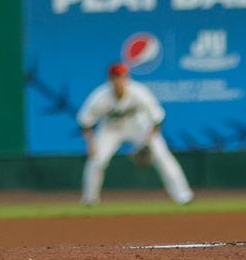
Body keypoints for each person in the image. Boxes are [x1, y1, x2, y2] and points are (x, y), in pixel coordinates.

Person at [76, 62, 194, 206]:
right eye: (116, 77)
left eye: (122, 76)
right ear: (110, 79)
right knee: (96, 160)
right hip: (110, 129)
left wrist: (147, 143)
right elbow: (85, 123)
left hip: (139, 127)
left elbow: (157, 119)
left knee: (162, 155)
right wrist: (91, 144)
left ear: (127, 78)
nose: (119, 80)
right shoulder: (99, 96)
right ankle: (89, 200)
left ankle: (183, 196)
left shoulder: (139, 92)